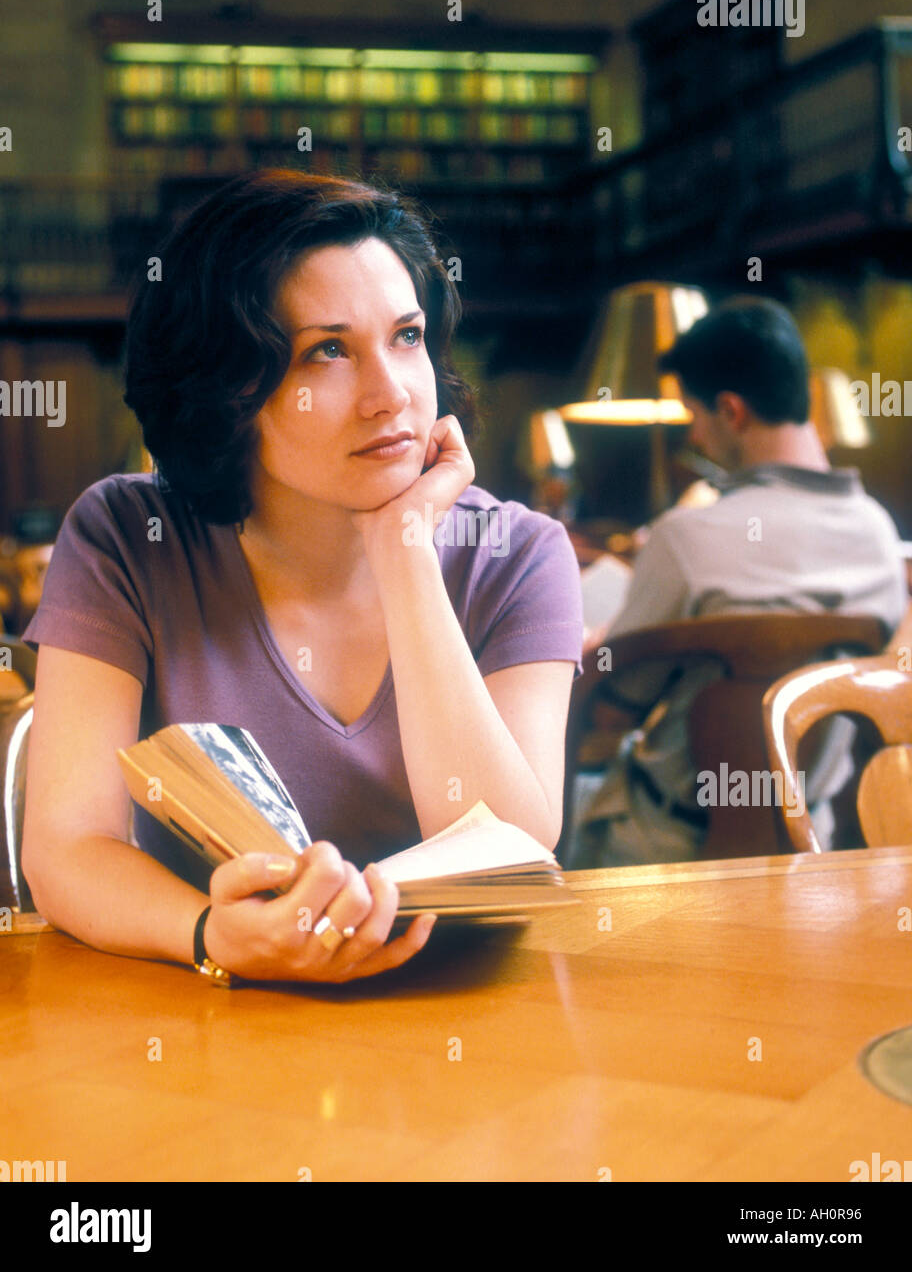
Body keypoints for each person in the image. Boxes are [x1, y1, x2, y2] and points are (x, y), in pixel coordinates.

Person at [21, 170, 583, 986]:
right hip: (202, 1020)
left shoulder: (519, 553)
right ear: (229, 388)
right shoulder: (126, 539)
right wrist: (213, 933)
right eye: (328, 351)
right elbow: (68, 848)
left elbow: (511, 851)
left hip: (456, 1015)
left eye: (407, 335)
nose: (390, 395)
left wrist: (405, 551)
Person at [572, 296, 907, 866]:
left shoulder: (685, 537)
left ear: (731, 411)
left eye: (696, 418)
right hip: (815, 852)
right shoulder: (879, 533)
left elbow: (616, 710)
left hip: (663, 855)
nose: (696, 440)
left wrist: (596, 644)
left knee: (580, 793)